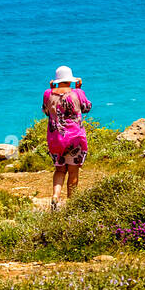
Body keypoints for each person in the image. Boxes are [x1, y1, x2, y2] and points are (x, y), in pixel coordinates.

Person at [43, 65, 91, 208]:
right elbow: (87, 108)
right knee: (73, 171)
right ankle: (71, 204)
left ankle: (55, 196)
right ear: (71, 79)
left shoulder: (47, 93)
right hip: (75, 138)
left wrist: (50, 88)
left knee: (59, 170)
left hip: (56, 139)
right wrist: (79, 88)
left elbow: (46, 111)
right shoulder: (77, 92)